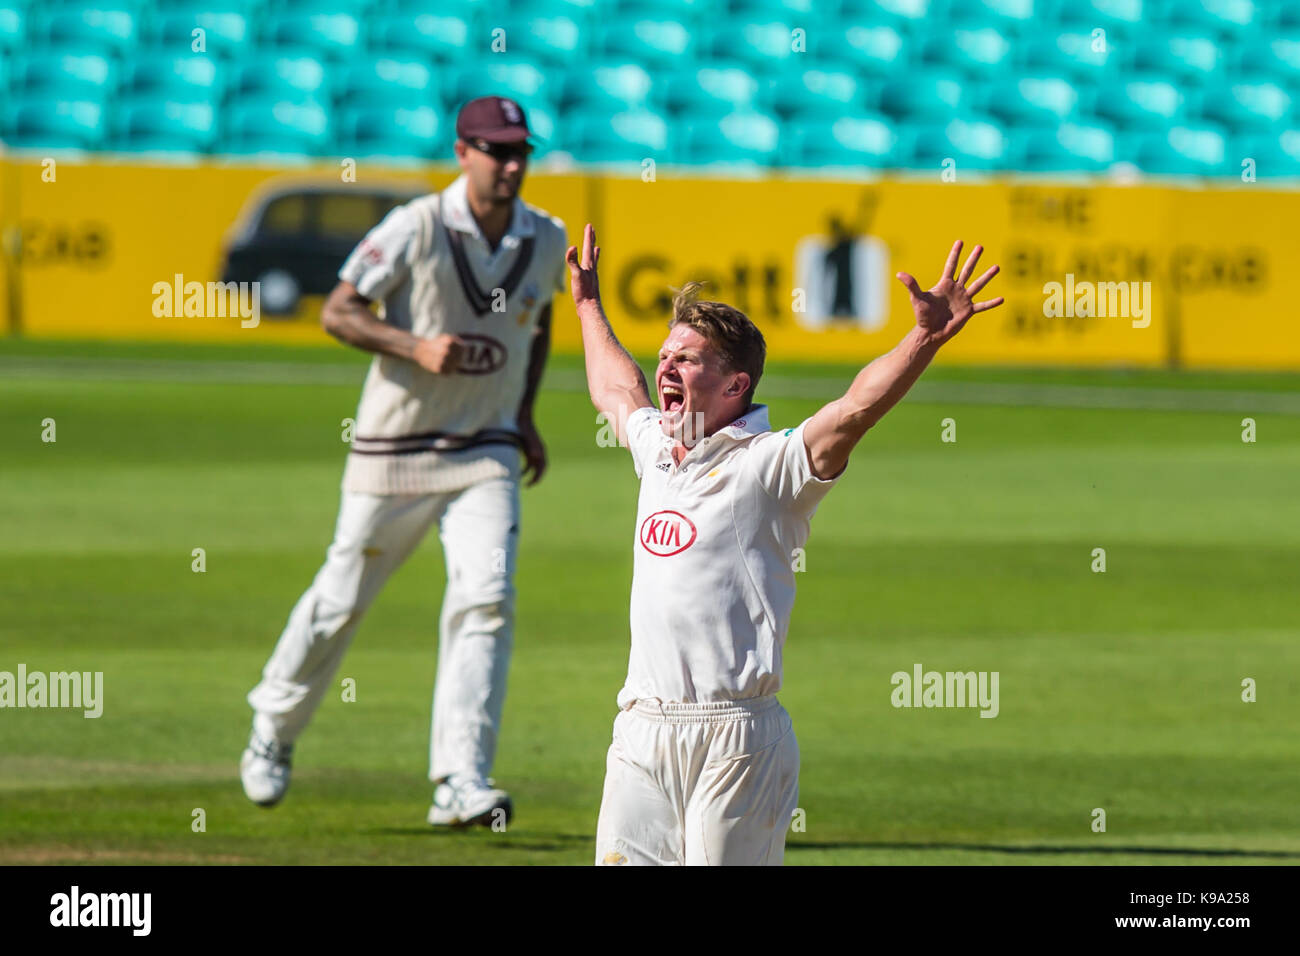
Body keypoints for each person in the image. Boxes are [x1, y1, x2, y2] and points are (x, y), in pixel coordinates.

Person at [565, 224, 1003, 865]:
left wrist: (924, 337)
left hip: (736, 736)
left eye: (686, 359)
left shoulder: (771, 466)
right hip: (640, 727)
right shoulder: (658, 447)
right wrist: (586, 306)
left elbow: (853, 410)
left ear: (736, 385)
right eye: (665, 355)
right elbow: (614, 388)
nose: (666, 366)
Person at [240, 96, 568, 828]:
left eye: (520, 152)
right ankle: (274, 727)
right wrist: (414, 346)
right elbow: (339, 310)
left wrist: (525, 416)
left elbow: (538, 323)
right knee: (338, 601)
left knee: (487, 598)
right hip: (394, 447)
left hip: (484, 448)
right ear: (462, 152)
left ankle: (460, 778)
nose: (511, 164)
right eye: (496, 150)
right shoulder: (416, 226)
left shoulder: (545, 238)